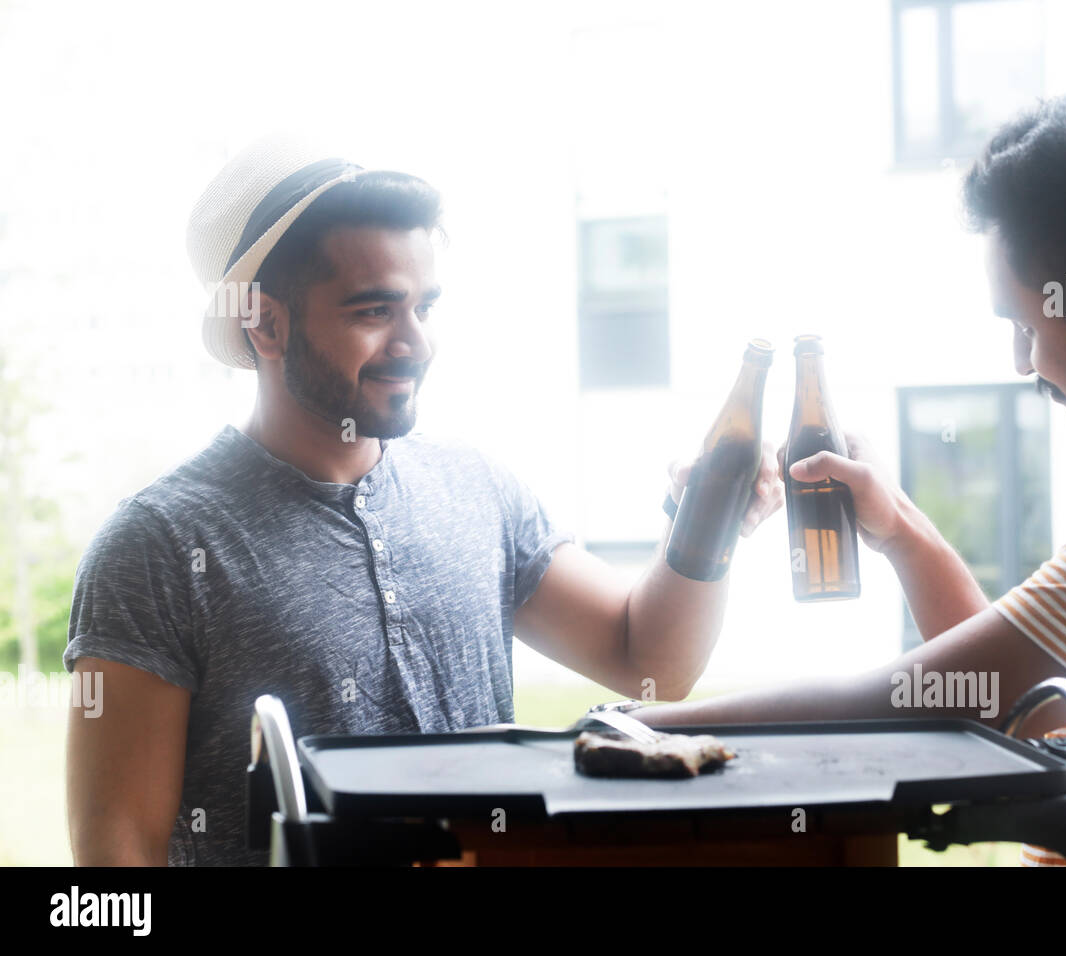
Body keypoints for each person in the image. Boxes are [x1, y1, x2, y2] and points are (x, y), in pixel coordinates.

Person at [63, 139, 783, 866]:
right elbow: (117, 856)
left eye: (425, 307)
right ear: (266, 322)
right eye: (374, 310)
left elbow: (650, 657)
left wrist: (704, 520)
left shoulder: (477, 488)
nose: (417, 343)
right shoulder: (156, 546)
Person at [639, 88, 1066, 866]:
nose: (1023, 365)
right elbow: (1028, 711)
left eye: (1026, 327)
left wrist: (643, 727)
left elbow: (909, 707)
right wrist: (904, 533)